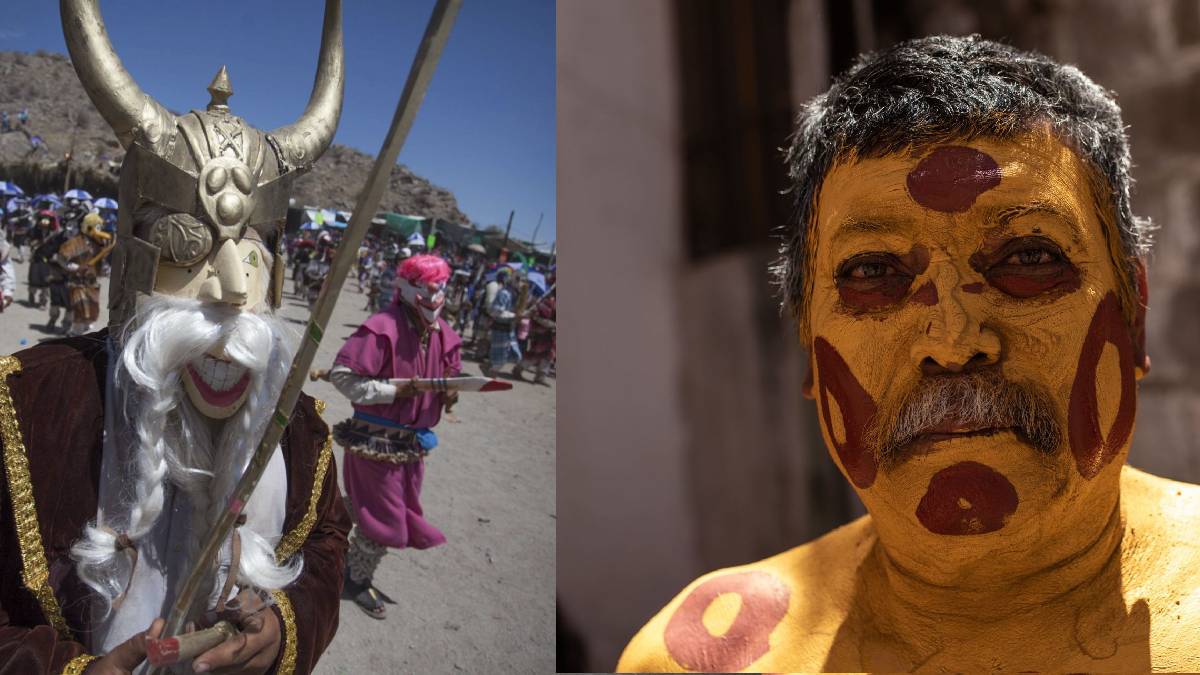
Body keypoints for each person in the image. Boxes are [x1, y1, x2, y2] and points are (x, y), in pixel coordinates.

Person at [618, 35, 1200, 672]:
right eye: (873, 272)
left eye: (1030, 257)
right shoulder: (706, 658)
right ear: (809, 346)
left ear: (1133, 315)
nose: (954, 343)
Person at [0, 1, 349, 672]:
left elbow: (326, 541)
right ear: (133, 264)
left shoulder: (298, 427)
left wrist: (285, 625)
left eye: (253, 255)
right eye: (186, 250)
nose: (231, 293)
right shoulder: (26, 406)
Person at [326, 254, 461, 619]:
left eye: (440, 287)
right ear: (405, 287)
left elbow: (451, 376)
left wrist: (450, 393)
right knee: (385, 519)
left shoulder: (442, 333)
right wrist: (394, 392)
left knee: (375, 506)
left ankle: (319, 520)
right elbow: (343, 377)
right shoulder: (382, 326)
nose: (434, 295)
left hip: (412, 446)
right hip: (374, 444)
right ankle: (354, 580)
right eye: (426, 287)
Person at [55, 212, 112, 335]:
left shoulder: (99, 245)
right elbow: (61, 258)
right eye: (96, 227)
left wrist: (107, 270)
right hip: (77, 283)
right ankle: (73, 334)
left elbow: (103, 265)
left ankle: (78, 332)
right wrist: (77, 267)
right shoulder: (74, 243)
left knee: (92, 313)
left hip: (92, 284)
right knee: (80, 310)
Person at [481, 268, 520, 377]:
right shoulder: (504, 293)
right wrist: (514, 316)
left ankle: (488, 367)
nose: (520, 283)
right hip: (500, 328)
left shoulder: (514, 294)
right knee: (500, 357)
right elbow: (496, 312)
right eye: (518, 280)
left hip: (508, 329)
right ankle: (490, 375)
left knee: (512, 354)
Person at [514, 293, 555, 384]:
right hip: (540, 334)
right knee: (533, 354)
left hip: (550, 336)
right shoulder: (544, 303)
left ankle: (540, 377)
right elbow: (535, 316)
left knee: (548, 357)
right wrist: (552, 325)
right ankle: (518, 369)